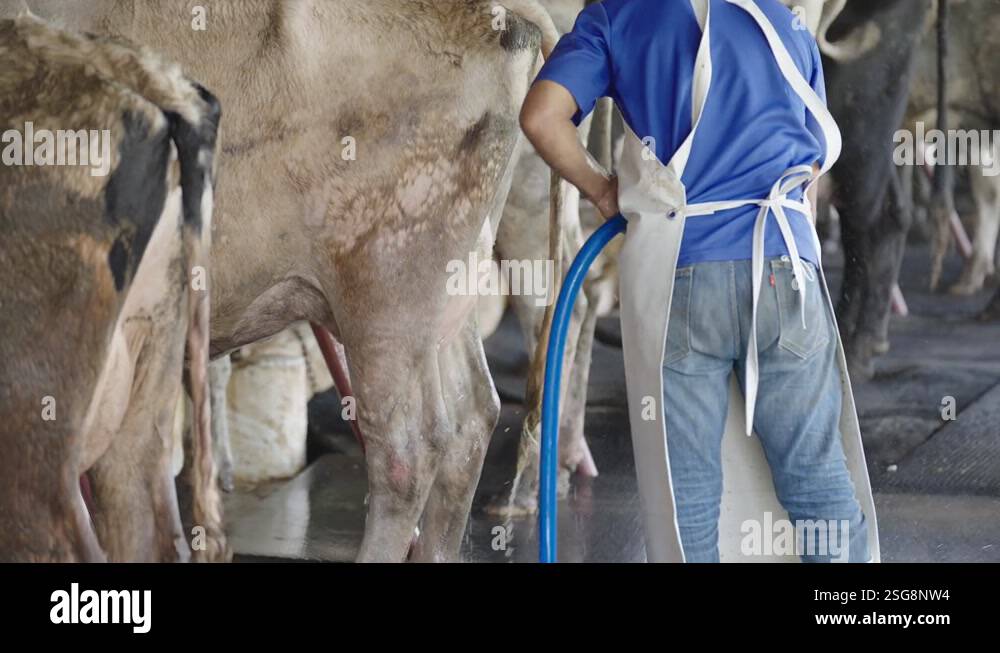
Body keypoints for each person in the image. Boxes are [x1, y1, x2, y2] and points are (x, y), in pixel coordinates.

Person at [519, 0, 878, 562]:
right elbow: (809, 168)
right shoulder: (784, 22)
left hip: (680, 280)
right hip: (785, 276)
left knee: (685, 504)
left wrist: (600, 189)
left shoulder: (616, 16)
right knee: (818, 485)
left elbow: (541, 116)